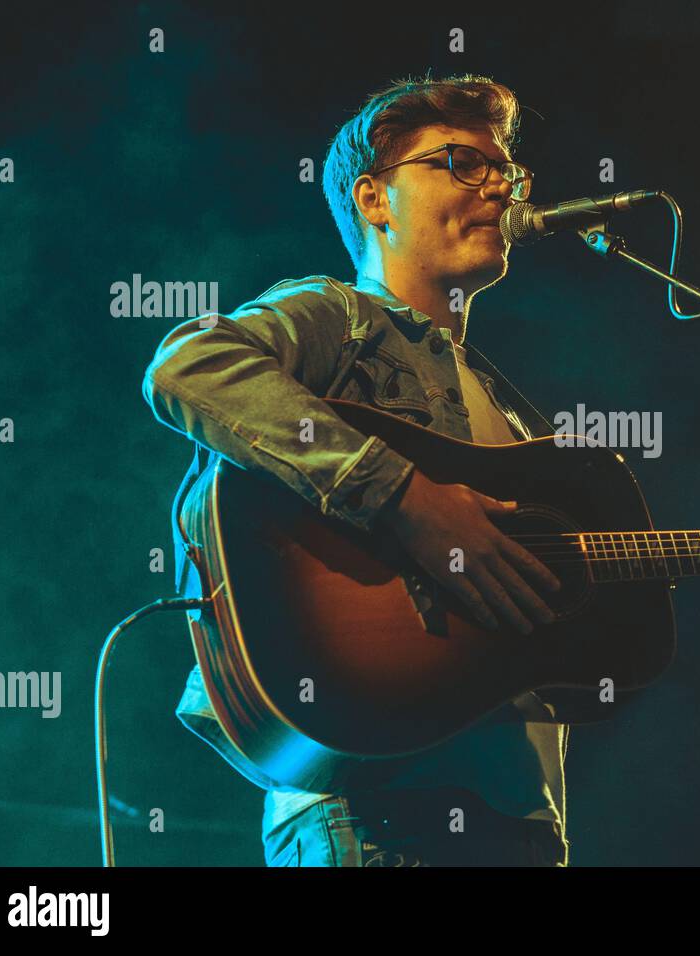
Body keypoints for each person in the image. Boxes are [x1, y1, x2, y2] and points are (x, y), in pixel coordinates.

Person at [142, 74, 573, 866]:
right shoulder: (340, 315)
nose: (501, 186)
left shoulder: (511, 414)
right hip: (372, 815)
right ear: (375, 201)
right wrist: (405, 497)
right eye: (462, 163)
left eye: (507, 171)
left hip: (515, 815)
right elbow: (189, 366)